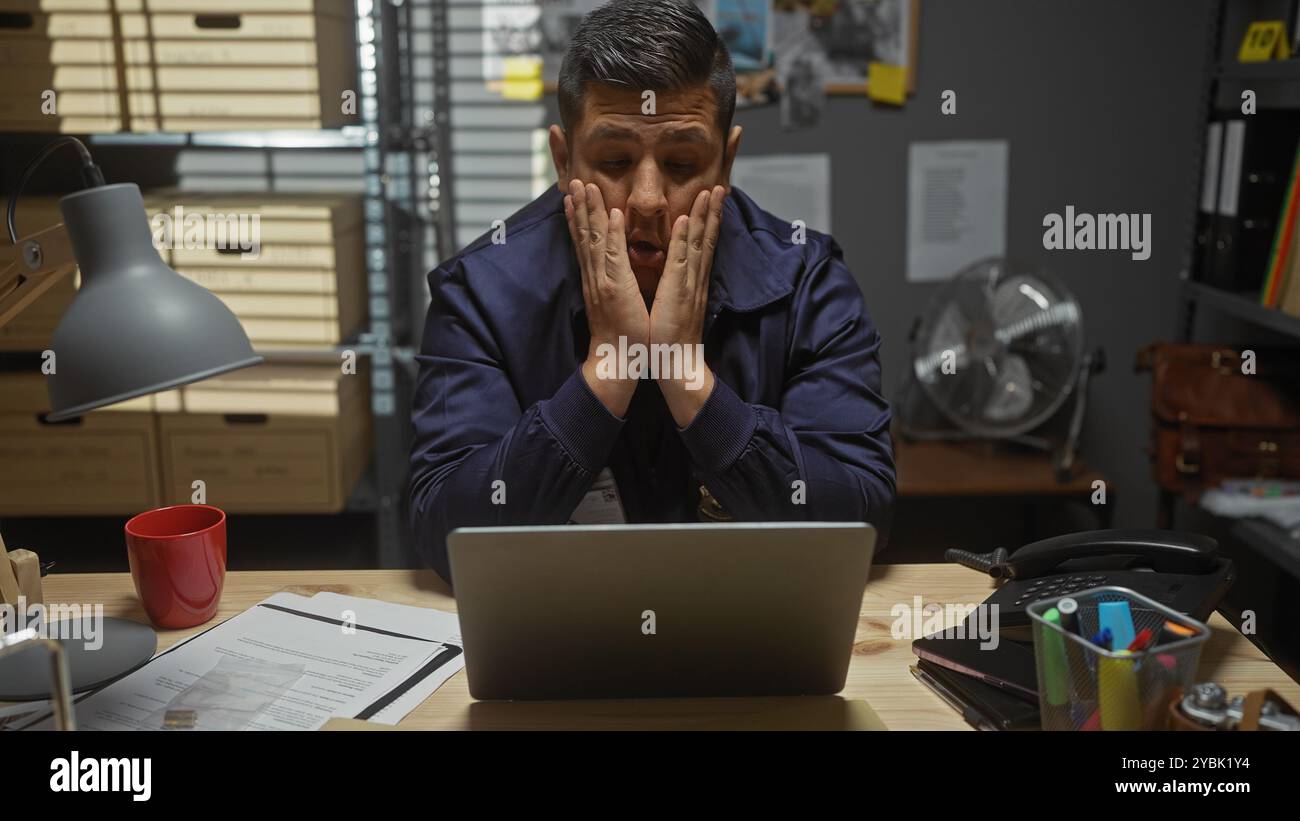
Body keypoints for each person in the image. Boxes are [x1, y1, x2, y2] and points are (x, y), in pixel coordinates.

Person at [409, 0, 894, 582]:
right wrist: (606, 373)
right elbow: (444, 532)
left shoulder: (807, 282)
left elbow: (861, 516)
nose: (646, 199)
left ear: (726, 161)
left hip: (748, 626)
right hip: (561, 631)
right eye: (613, 159)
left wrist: (688, 379)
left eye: (682, 163)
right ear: (564, 161)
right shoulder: (481, 291)